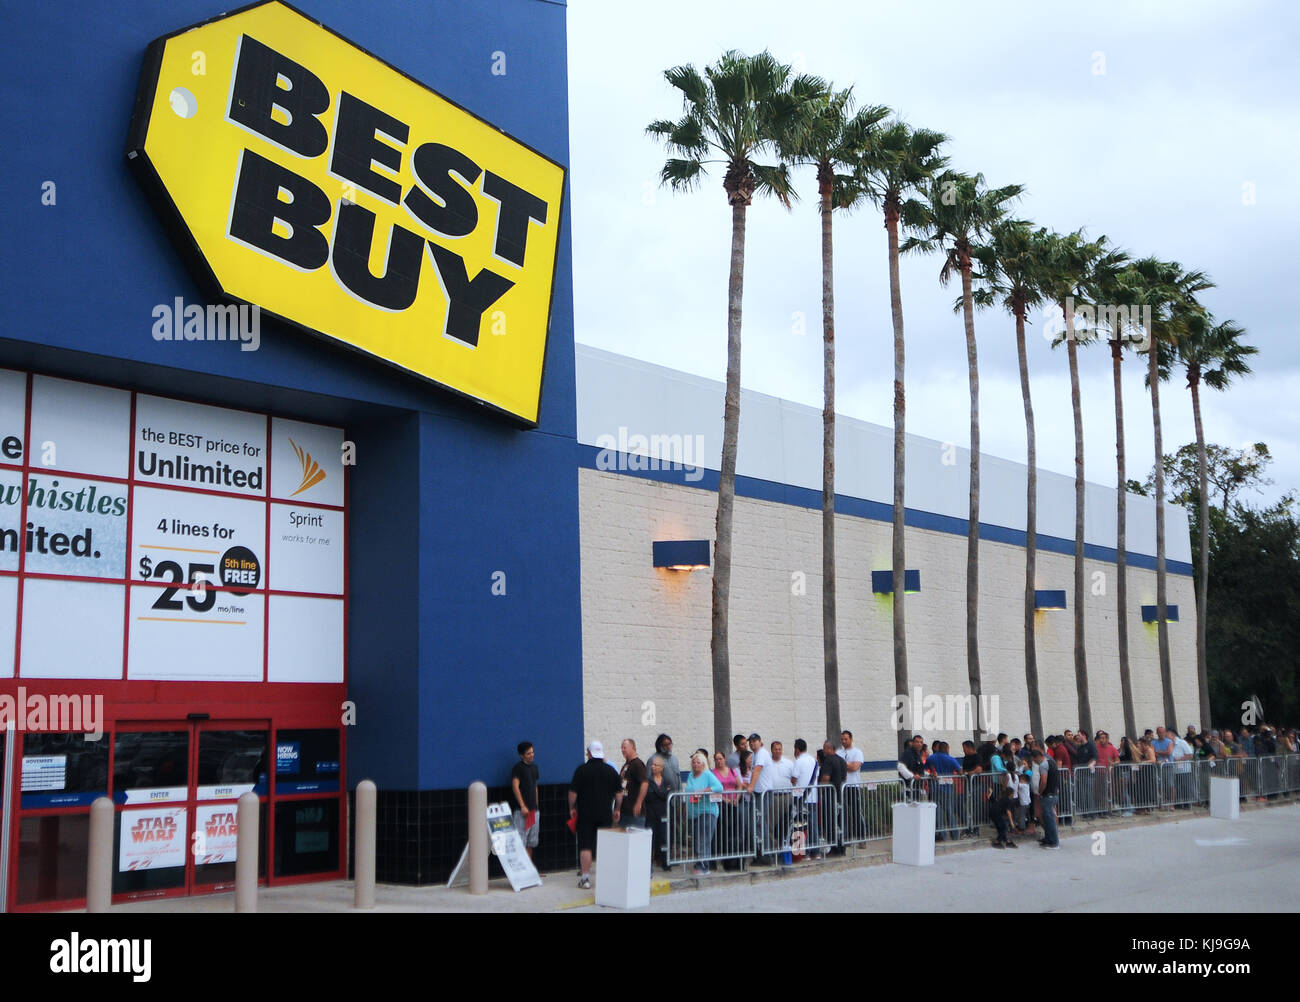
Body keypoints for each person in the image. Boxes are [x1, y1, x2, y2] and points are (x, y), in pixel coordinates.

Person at [568, 740, 623, 888]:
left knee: (585, 845)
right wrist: (617, 809)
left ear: (590, 753)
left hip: (586, 814)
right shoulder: (611, 771)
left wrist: (572, 807)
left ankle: (585, 878)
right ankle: (606, 879)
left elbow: (573, 793)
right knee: (604, 845)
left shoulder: (581, 770)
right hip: (605, 813)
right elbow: (619, 794)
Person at [684, 752, 724, 874]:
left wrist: (703, 791)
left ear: (703, 764)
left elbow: (719, 787)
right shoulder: (691, 775)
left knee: (703, 839)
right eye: (694, 762)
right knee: (696, 839)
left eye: (698, 762)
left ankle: (704, 865)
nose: (695, 764)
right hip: (694, 812)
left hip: (707, 811)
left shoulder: (707, 774)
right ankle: (699, 862)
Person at [747, 734, 776, 864]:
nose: (752, 744)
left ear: (760, 741)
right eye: (750, 742)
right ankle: (761, 852)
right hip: (759, 792)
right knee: (759, 823)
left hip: (763, 793)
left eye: (754, 741)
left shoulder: (761, 754)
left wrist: (751, 787)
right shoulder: (756, 755)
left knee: (760, 823)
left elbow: (757, 770)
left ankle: (764, 854)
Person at [510, 740, 540, 860]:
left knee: (531, 841)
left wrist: (536, 804)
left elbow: (535, 785)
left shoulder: (534, 767)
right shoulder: (518, 768)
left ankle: (530, 869)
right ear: (521, 755)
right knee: (520, 839)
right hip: (522, 810)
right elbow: (515, 786)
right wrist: (522, 805)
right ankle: (520, 870)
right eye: (528, 753)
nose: (531, 755)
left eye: (532, 752)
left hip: (534, 810)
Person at [712, 750, 742, 869]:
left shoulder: (732, 770)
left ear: (724, 759)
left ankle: (734, 855)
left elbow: (739, 784)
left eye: (721, 758)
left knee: (735, 830)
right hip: (722, 804)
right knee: (723, 831)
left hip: (734, 803)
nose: (719, 761)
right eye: (717, 759)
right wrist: (725, 799)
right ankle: (724, 857)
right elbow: (715, 789)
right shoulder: (713, 773)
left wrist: (737, 797)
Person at [642, 756, 672, 872]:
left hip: (663, 814)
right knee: (650, 839)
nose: (653, 767)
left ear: (662, 768)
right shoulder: (647, 781)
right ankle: (648, 865)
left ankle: (665, 862)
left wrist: (657, 792)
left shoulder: (667, 781)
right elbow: (648, 797)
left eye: (656, 765)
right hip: (651, 814)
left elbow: (667, 795)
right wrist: (660, 793)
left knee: (664, 838)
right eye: (652, 765)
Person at [838, 730, 866, 843]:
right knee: (843, 812)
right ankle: (846, 838)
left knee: (856, 812)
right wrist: (847, 765)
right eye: (842, 739)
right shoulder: (839, 752)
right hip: (842, 786)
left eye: (846, 739)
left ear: (851, 739)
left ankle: (861, 838)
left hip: (853, 786)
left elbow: (855, 767)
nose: (844, 741)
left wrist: (843, 764)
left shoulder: (857, 752)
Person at [820, 740, 847, 854]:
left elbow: (826, 778)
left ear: (829, 748)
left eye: (824, 748)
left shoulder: (828, 761)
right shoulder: (842, 760)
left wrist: (820, 787)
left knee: (830, 822)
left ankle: (833, 847)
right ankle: (842, 846)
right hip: (840, 795)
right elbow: (844, 778)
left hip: (830, 796)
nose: (823, 751)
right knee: (840, 822)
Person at [1033, 747, 1060, 848]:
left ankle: (1054, 842)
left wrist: (1040, 791)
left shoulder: (1043, 765)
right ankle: (1048, 839)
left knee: (1049, 820)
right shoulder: (1051, 762)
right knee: (1048, 818)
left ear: (1037, 757)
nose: (1034, 762)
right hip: (1053, 793)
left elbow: (1044, 781)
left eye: (1034, 760)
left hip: (1048, 795)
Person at [619, 738, 648, 829]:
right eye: (621, 748)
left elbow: (644, 783)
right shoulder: (626, 765)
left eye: (625, 747)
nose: (622, 750)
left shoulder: (638, 764)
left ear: (633, 748)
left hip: (634, 814)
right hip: (624, 812)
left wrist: (638, 803)